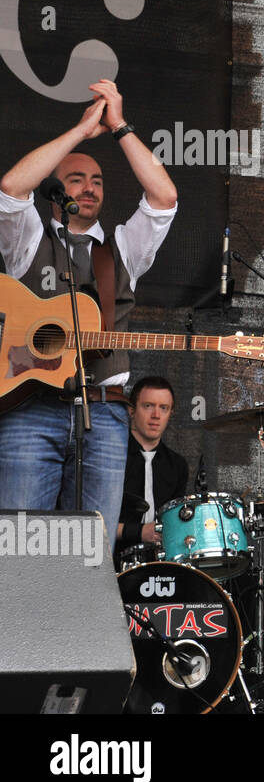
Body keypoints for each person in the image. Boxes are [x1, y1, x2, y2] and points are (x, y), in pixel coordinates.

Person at [0, 80, 177, 546]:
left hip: (104, 413)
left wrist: (118, 126)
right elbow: (13, 186)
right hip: (29, 410)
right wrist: (80, 132)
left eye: (97, 180)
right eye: (77, 179)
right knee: (21, 542)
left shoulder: (120, 249)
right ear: (56, 188)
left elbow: (163, 197)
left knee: (89, 549)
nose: (90, 187)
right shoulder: (26, 242)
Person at [116, 376, 189, 566]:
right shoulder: (110, 459)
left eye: (163, 408)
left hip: (162, 562)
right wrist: (139, 532)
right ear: (131, 410)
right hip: (110, 560)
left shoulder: (177, 465)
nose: (156, 415)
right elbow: (89, 526)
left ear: (170, 413)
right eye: (148, 406)